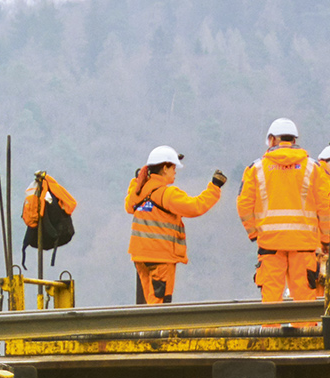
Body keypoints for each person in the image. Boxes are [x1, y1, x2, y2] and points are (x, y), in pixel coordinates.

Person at [237, 119, 330, 305]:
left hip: (270, 245)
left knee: (271, 301)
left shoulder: (255, 169)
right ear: (294, 140)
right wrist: (326, 240)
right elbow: (325, 207)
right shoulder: (314, 168)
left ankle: (270, 334)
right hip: (304, 245)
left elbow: (244, 205)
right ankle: (304, 333)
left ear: (272, 140)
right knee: (304, 302)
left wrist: (254, 233)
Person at [125, 145, 224, 304]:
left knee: (149, 302)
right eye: (173, 168)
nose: (175, 171)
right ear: (164, 168)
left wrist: (137, 180)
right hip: (160, 258)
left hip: (140, 256)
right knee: (160, 305)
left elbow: (129, 206)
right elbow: (195, 207)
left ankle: (147, 328)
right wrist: (214, 188)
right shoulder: (167, 194)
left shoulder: (140, 191)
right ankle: (156, 329)